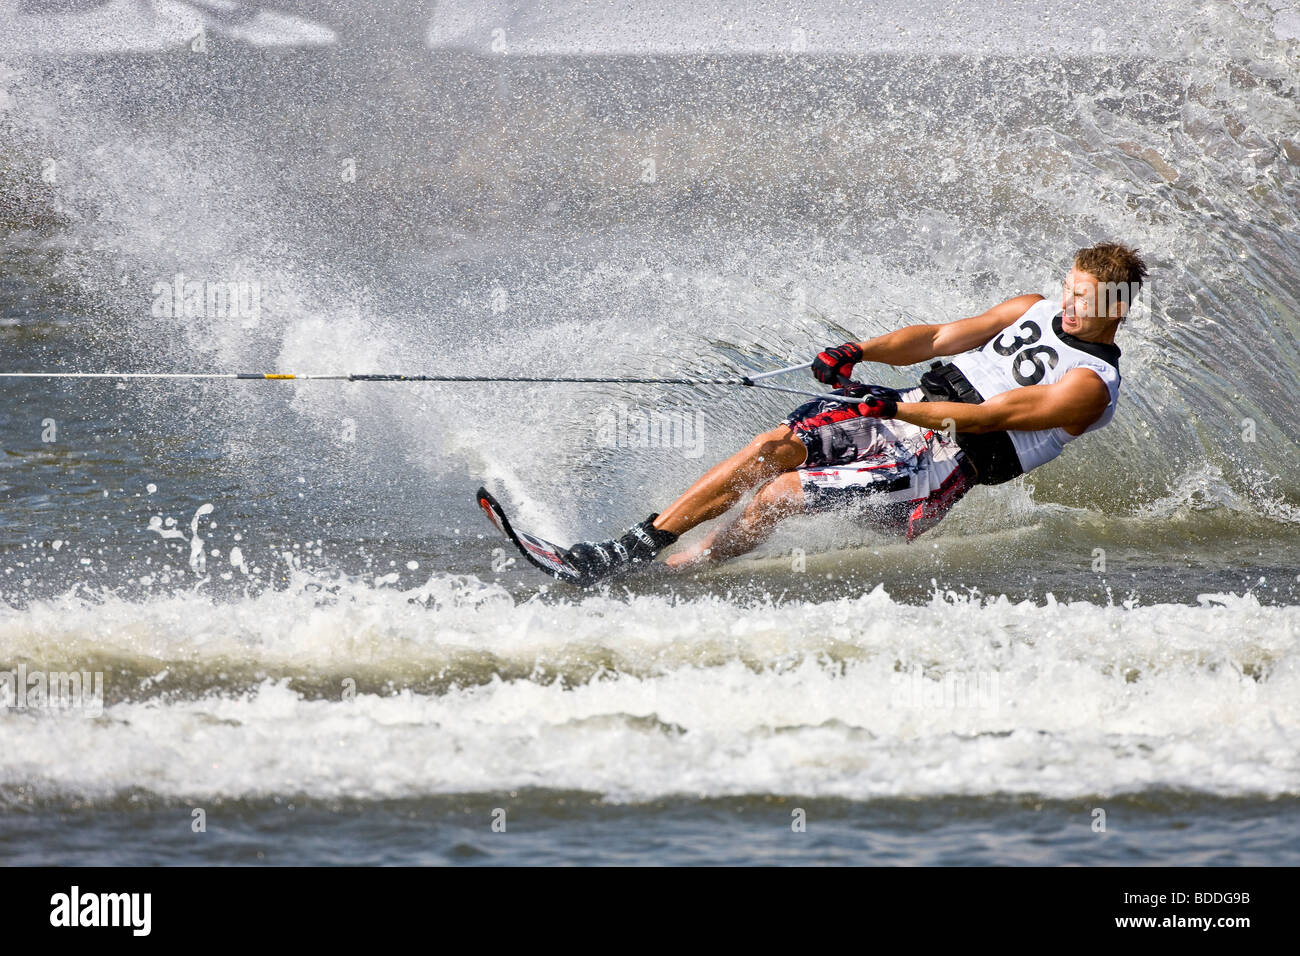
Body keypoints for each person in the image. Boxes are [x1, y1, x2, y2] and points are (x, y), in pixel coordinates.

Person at [563, 242, 1148, 584]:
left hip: (940, 469)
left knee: (777, 494)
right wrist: (859, 351)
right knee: (773, 448)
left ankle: (689, 565)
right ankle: (627, 549)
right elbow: (940, 337)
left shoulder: (1091, 386)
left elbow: (987, 418)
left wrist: (892, 404)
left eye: (1084, 298)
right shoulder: (1032, 309)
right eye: (1068, 289)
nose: (1067, 304)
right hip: (908, 414)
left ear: (1115, 307)